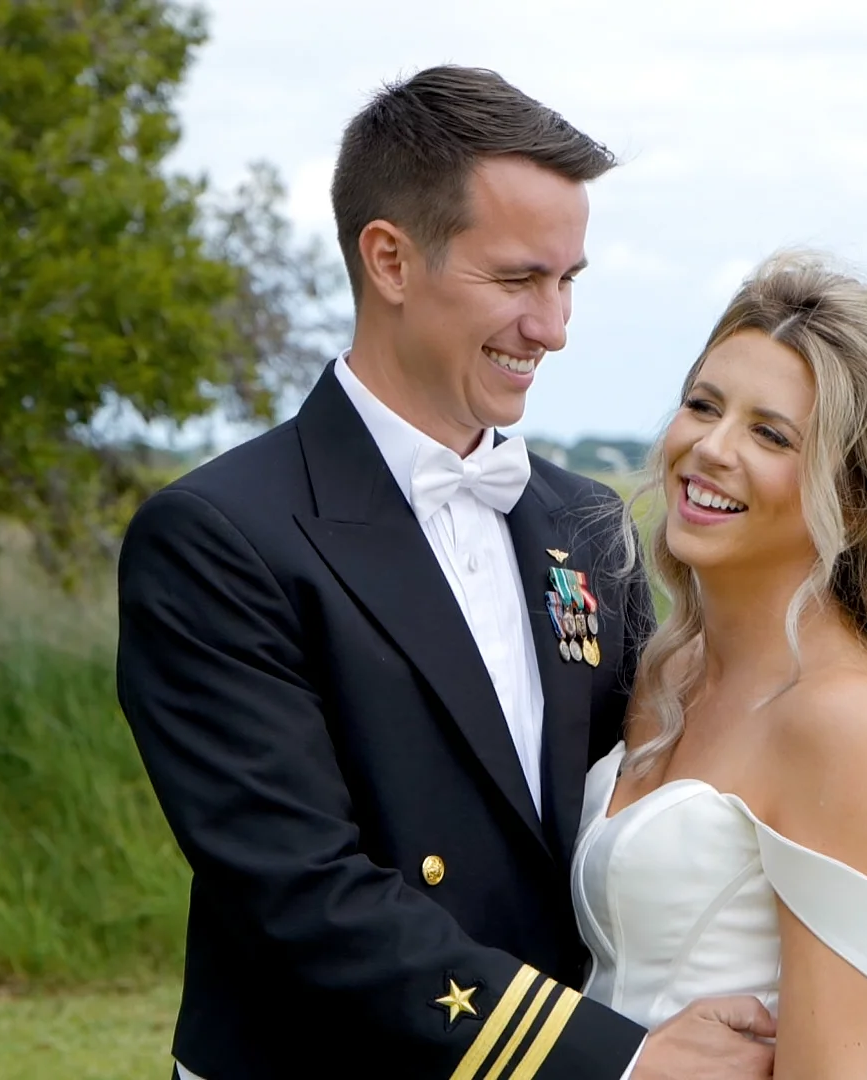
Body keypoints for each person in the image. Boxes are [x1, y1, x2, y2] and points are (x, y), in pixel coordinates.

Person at [116, 66, 774, 1079]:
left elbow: (641, 797)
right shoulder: (217, 537)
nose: (553, 328)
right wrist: (616, 1063)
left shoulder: (585, 523)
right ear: (390, 259)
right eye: (518, 280)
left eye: (568, 282)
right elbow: (305, 894)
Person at [574, 251, 867, 1077]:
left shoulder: (845, 716)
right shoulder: (668, 672)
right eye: (701, 405)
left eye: (769, 433)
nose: (710, 448)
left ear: (851, 492)